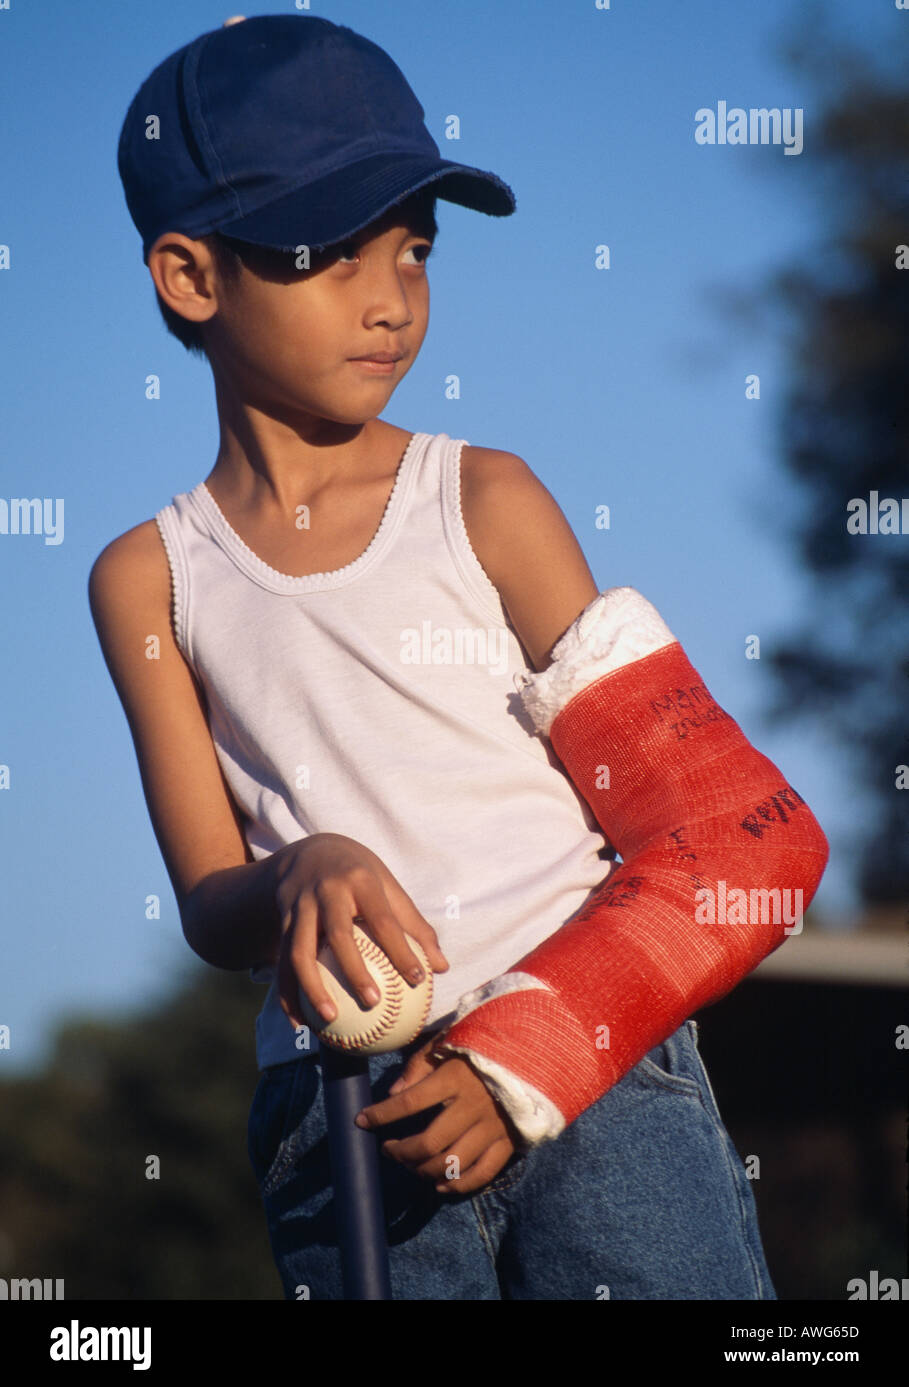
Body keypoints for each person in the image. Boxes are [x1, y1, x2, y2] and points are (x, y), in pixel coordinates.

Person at [91, 14, 828, 1300]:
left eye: (416, 251)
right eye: (333, 256)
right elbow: (214, 900)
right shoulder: (145, 577)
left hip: (601, 1083)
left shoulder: (488, 499)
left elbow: (748, 844)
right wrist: (296, 871)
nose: (392, 300)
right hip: (343, 1120)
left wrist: (525, 1052)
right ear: (191, 278)